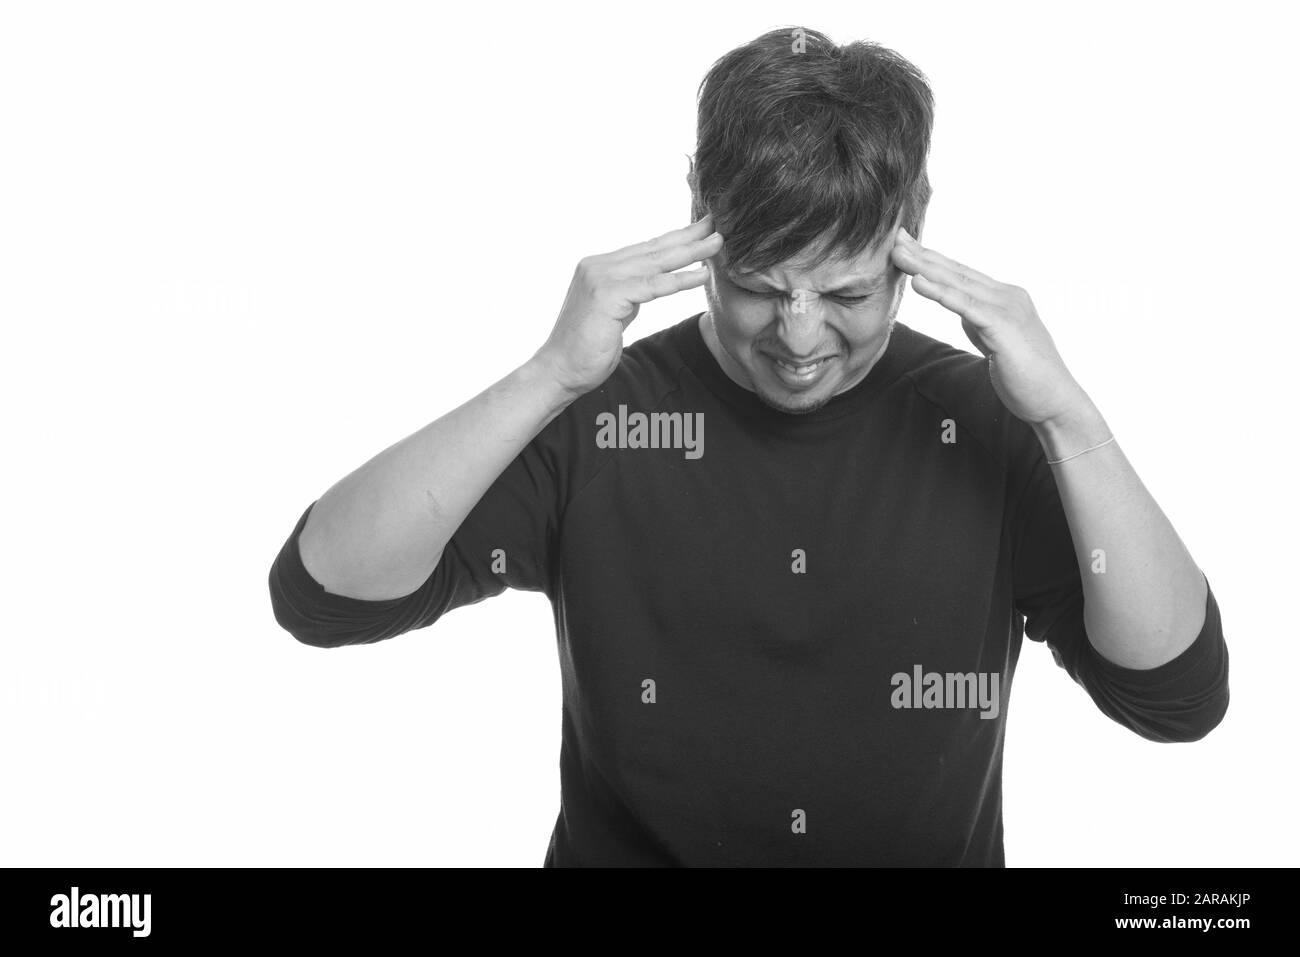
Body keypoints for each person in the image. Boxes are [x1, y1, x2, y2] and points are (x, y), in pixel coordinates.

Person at [267, 27, 1229, 866]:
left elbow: (1175, 696)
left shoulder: (990, 421)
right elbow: (323, 595)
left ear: (914, 226)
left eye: (847, 294)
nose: (800, 338)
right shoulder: (603, 409)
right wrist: (549, 375)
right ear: (700, 206)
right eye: (762, 286)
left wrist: (1067, 416)